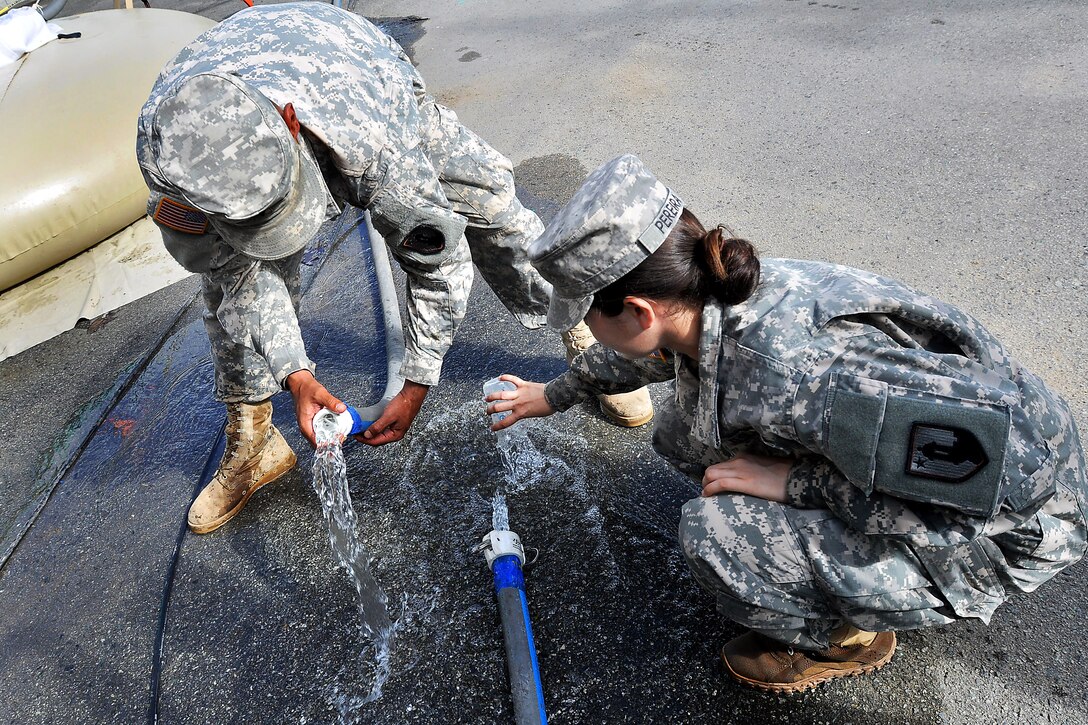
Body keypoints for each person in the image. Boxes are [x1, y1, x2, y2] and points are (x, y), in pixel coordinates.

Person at [487, 154, 1087, 693]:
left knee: (713, 534)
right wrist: (557, 392)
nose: (588, 329)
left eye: (589, 315)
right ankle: (822, 526)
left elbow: (1011, 479)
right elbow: (645, 349)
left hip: (1009, 525)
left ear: (639, 309)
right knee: (683, 428)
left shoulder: (800, 374)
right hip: (923, 449)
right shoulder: (708, 289)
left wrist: (796, 485)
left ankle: (845, 638)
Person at [135, 3, 651, 535]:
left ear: (290, 124)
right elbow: (238, 280)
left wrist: (416, 383)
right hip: (247, 72)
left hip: (356, 71)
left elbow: (439, 264)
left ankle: (586, 336)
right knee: (226, 291)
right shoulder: (170, 158)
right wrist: (297, 374)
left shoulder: (377, 138)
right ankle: (255, 438)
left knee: (491, 210)